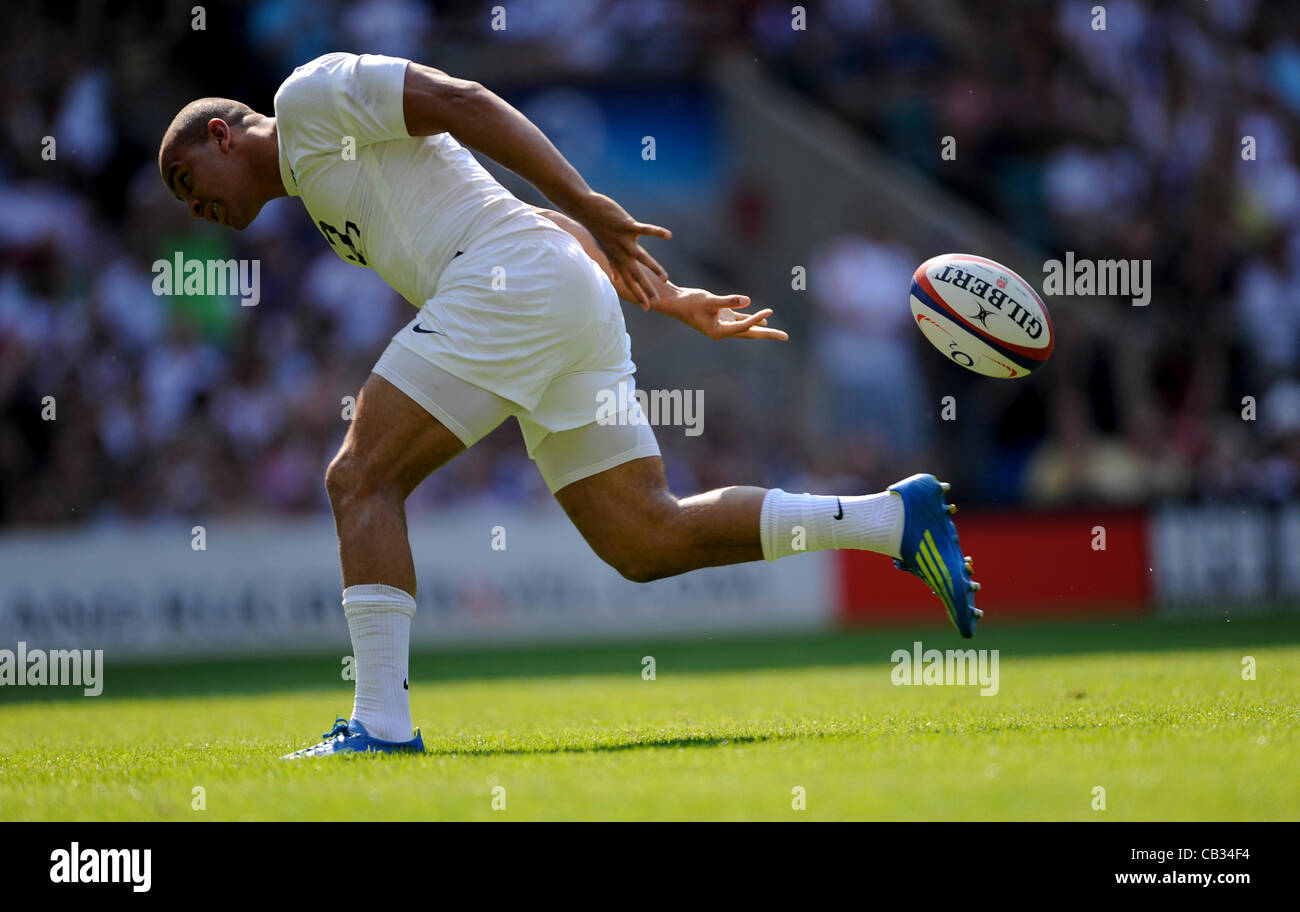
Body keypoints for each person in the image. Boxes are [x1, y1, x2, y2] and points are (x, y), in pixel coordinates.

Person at [157, 52, 981, 759]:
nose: (199, 210)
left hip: (509, 285)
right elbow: (528, 218)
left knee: (358, 479)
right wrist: (665, 299)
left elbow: (463, 99)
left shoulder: (308, 96)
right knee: (646, 537)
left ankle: (381, 724)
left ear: (223, 134)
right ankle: (889, 521)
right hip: (553, 284)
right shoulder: (315, 180)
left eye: (191, 183)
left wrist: (590, 201)